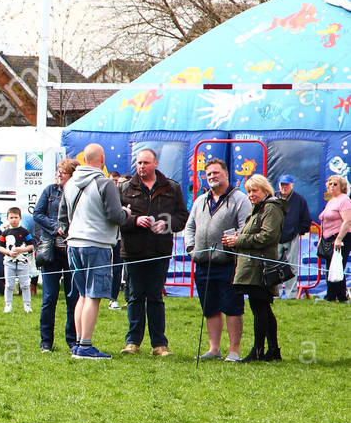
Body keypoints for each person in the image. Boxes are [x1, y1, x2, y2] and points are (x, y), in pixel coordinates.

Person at [60, 143, 133, 359]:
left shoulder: (71, 183)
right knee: (93, 295)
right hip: (96, 243)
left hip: (73, 243)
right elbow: (114, 216)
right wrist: (127, 213)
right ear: (101, 159)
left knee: (82, 294)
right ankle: (85, 345)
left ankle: (78, 343)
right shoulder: (104, 183)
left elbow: (64, 215)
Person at [118, 148, 188, 356]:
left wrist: (165, 224)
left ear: (155, 164)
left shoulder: (171, 188)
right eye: (139, 163)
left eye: (146, 163)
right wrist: (134, 221)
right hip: (133, 250)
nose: (141, 167)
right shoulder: (124, 188)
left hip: (159, 250)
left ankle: (159, 344)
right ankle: (132, 342)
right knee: (135, 296)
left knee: (156, 297)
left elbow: (182, 217)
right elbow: (116, 217)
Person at [183, 158, 249, 360]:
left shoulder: (239, 199)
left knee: (232, 307)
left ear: (226, 174)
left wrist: (234, 239)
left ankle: (234, 351)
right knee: (209, 306)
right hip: (203, 263)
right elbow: (190, 227)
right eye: (208, 173)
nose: (212, 176)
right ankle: (214, 349)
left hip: (228, 262)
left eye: (216, 173)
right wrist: (190, 248)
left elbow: (245, 227)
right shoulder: (200, 200)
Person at [223, 175, 286, 362]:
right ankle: (273, 350)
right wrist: (237, 237)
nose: (250, 195)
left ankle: (258, 350)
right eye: (248, 191)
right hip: (253, 266)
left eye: (254, 191)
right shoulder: (259, 208)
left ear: (265, 190)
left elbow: (268, 236)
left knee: (260, 308)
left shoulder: (271, 208)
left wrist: (239, 240)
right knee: (263, 308)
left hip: (261, 267)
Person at [33, 158, 78, 352]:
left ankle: (72, 340)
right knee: (49, 298)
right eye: (58, 172)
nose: (59, 176)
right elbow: (37, 214)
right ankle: (46, 342)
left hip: (71, 250)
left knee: (73, 298)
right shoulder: (50, 191)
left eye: (63, 173)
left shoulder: (79, 193)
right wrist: (56, 227)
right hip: (50, 251)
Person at [275, 175, 312, 295]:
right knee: (274, 265)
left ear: (292, 185)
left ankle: (292, 294)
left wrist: (298, 231)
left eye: (287, 184)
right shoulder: (273, 198)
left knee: (292, 266)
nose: (284, 187)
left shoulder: (299, 200)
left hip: (292, 237)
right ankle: (276, 293)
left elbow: (306, 219)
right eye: (282, 184)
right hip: (275, 237)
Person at [317, 174, 351, 302]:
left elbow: (347, 221)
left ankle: (330, 297)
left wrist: (339, 238)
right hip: (328, 237)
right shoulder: (332, 201)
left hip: (341, 237)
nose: (331, 186)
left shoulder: (344, 200)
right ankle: (341, 296)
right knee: (333, 266)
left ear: (342, 186)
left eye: (335, 184)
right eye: (330, 183)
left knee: (335, 266)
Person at [0, 206, 33, 312]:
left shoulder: (25, 232)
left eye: (16, 217)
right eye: (11, 217)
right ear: (7, 219)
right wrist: (8, 252)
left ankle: (27, 305)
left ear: (20, 218)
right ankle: (8, 304)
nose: (14, 220)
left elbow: (31, 246)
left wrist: (21, 250)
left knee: (25, 284)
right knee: (9, 285)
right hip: (9, 262)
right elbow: (0, 247)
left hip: (23, 262)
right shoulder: (5, 233)